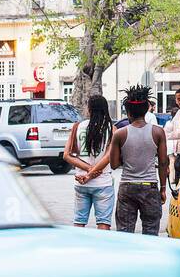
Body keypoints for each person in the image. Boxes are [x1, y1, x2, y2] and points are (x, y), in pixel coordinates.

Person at [108, 85, 168, 235]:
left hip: (127, 187)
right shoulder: (158, 132)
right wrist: (163, 189)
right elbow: (163, 163)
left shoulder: (120, 134)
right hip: (150, 186)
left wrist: (127, 158)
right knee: (151, 231)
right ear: (147, 109)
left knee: (125, 233)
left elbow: (114, 164)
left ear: (128, 112)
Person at [64, 94, 115, 230]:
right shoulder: (111, 129)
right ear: (105, 109)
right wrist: (92, 172)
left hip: (80, 182)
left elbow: (67, 155)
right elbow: (108, 157)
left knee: (79, 222)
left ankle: (79, 249)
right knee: (103, 223)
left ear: (89, 109)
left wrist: (87, 172)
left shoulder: (77, 127)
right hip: (103, 183)